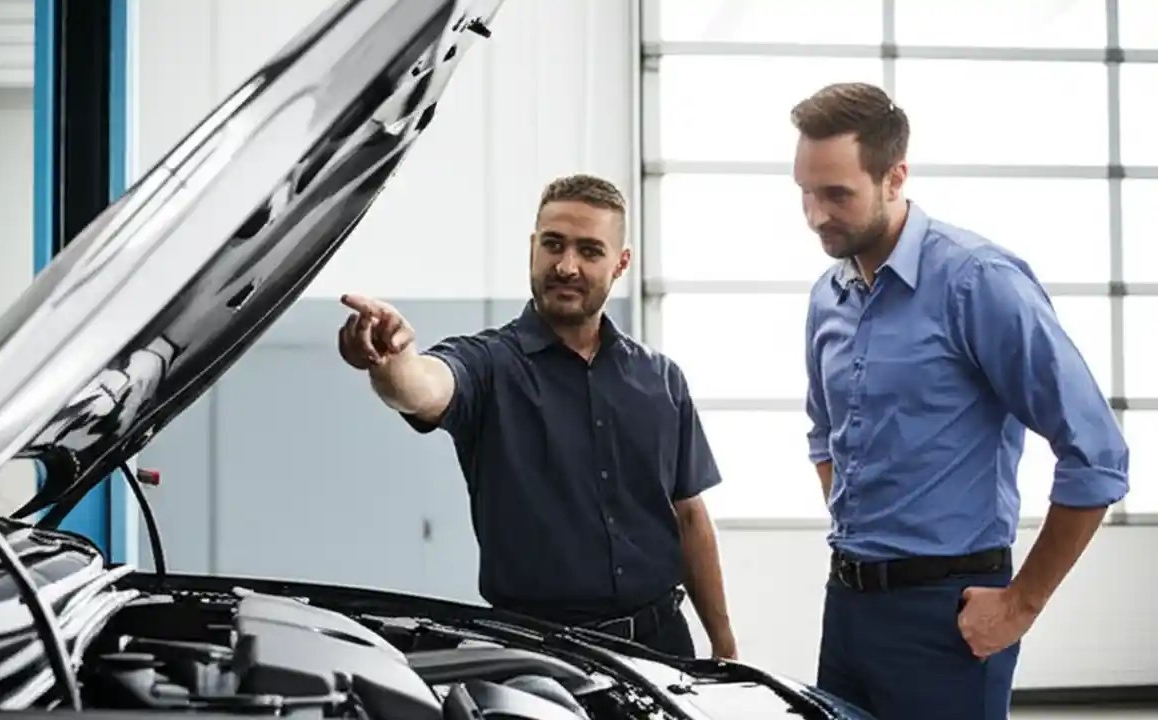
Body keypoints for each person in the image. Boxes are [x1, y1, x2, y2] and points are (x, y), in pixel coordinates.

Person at [793, 81, 1129, 719]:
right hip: (848, 607)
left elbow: (1098, 454)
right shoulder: (826, 296)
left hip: (948, 616)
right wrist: (868, 538)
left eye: (837, 194)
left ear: (895, 177)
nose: (816, 215)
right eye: (805, 193)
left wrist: (1021, 604)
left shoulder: (979, 282)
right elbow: (824, 433)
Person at [335, 174, 737, 660]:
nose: (566, 266)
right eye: (553, 245)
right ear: (533, 248)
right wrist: (389, 359)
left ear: (620, 264)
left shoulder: (661, 380)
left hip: (663, 648)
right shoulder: (489, 365)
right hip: (542, 656)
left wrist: (724, 646)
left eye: (590, 251)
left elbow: (691, 517)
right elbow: (422, 387)